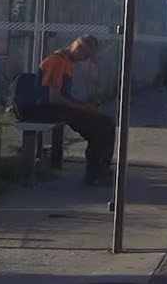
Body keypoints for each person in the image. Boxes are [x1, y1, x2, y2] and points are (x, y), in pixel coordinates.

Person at [22, 35, 115, 186]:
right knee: (100, 126)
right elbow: (54, 98)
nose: (85, 60)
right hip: (49, 109)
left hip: (59, 107)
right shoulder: (56, 62)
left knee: (108, 122)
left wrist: (85, 106)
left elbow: (65, 96)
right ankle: (94, 170)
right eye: (86, 55)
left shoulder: (67, 63)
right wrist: (82, 107)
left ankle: (102, 165)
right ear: (79, 48)